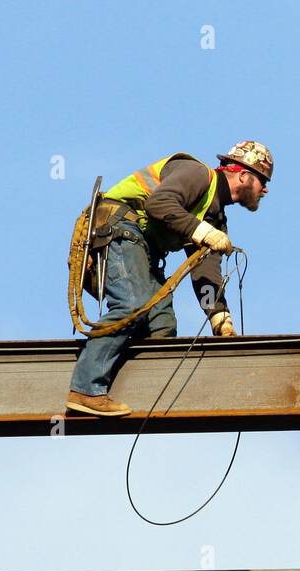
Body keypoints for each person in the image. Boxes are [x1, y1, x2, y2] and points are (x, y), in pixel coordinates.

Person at [66, 141, 273, 417]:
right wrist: (201, 231)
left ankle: (144, 398)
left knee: (161, 325)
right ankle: (86, 389)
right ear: (244, 175)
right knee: (132, 304)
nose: (265, 189)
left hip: (141, 249)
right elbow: (158, 204)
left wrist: (219, 317)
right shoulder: (197, 174)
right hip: (117, 230)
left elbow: (205, 271)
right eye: (263, 180)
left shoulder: (214, 216)